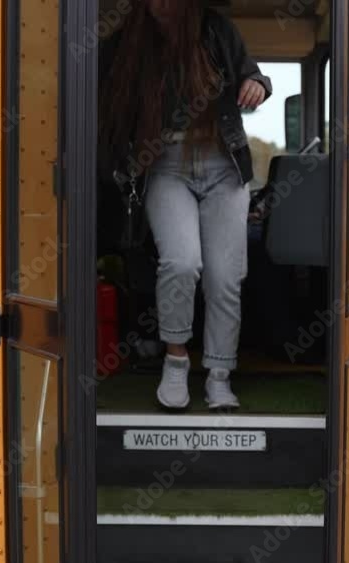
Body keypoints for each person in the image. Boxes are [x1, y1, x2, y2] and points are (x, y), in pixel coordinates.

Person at [100, 0, 271, 409]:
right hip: (165, 166)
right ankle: (176, 363)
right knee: (180, 262)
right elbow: (103, 107)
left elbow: (252, 74)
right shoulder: (127, 43)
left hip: (224, 165)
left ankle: (218, 376)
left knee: (225, 277)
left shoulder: (215, 29)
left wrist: (259, 86)